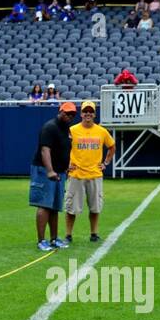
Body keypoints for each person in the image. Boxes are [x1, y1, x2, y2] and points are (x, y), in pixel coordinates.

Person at [65, 100, 114, 244]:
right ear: (81, 114)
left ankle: (94, 233)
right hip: (76, 175)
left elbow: (112, 146)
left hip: (94, 175)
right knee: (71, 208)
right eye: (85, 111)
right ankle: (68, 235)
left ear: (94, 114)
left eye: (90, 111)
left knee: (95, 207)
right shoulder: (72, 130)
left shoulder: (101, 131)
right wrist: (67, 164)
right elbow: (63, 147)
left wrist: (106, 163)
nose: (88, 113)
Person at [31, 101, 75, 250]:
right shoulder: (50, 127)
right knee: (44, 204)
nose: (68, 116)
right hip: (45, 170)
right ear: (60, 111)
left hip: (59, 171)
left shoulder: (66, 129)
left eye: (72, 114)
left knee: (55, 206)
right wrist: (50, 170)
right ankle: (41, 241)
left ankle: (54, 239)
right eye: (66, 113)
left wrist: (67, 167)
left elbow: (65, 150)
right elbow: (45, 150)